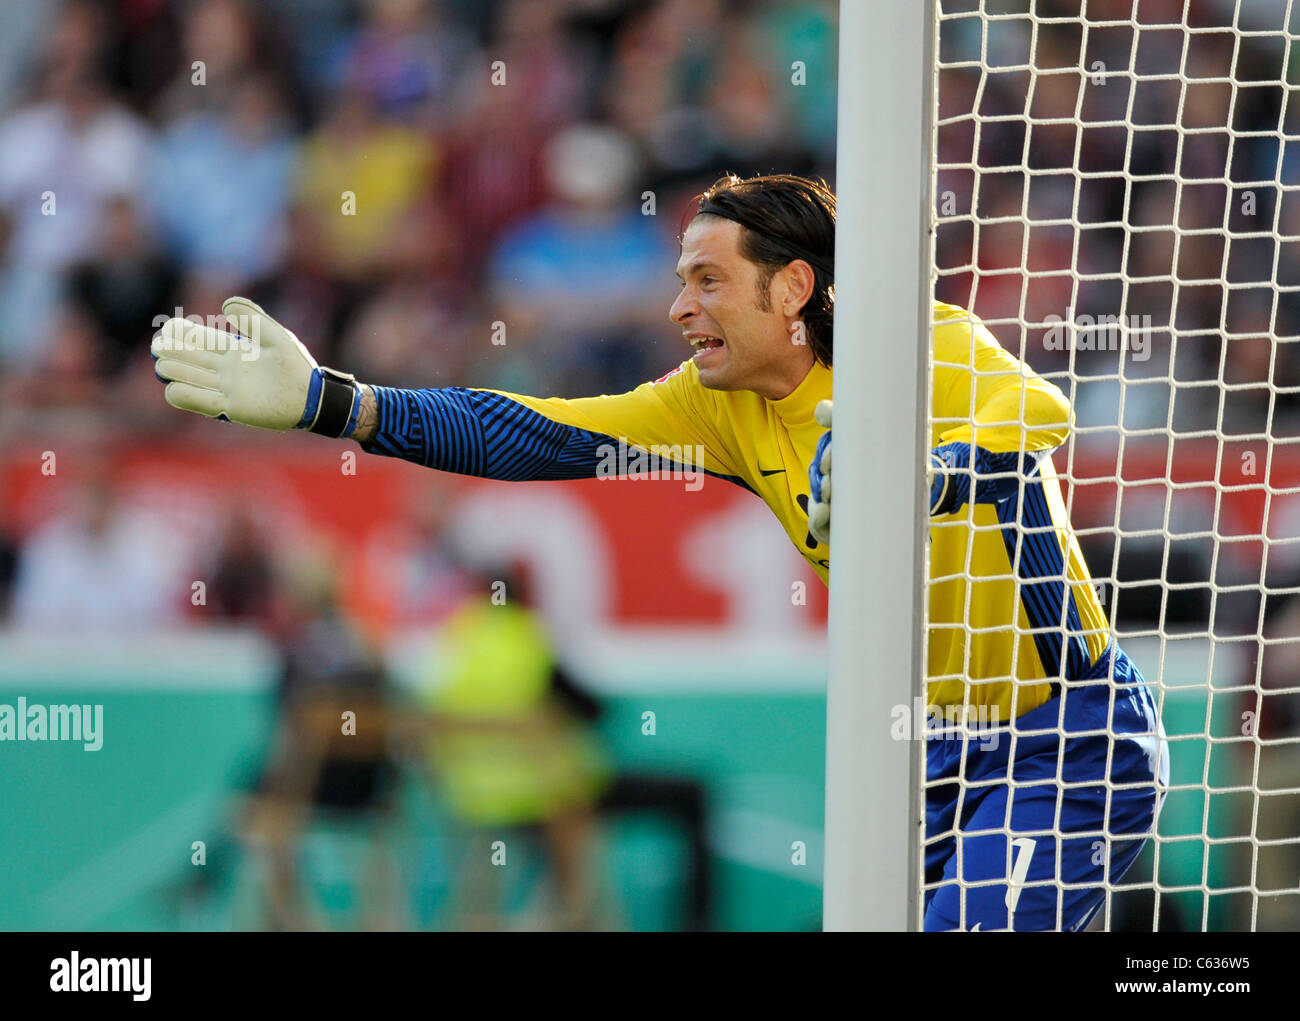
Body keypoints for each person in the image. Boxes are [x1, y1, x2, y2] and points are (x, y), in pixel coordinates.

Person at [151, 171, 1168, 931]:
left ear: (792, 288)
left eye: (708, 281)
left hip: (1067, 733)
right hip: (929, 755)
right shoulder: (712, 410)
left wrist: (918, 474)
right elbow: (530, 432)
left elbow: (1036, 410)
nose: (679, 308)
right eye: (680, 281)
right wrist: (338, 404)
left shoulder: (916, 348)